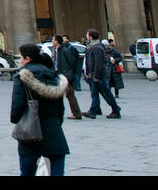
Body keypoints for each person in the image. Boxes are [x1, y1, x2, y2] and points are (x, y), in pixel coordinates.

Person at [10, 43, 70, 176]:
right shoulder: (55, 77)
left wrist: (15, 119)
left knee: (27, 172)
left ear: (27, 58)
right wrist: (55, 123)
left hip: (31, 134)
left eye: (20, 57)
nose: (20, 61)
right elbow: (61, 109)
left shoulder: (22, 77)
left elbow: (17, 107)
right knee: (56, 171)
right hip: (54, 132)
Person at [81, 29, 119, 119]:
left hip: (99, 75)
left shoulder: (97, 47)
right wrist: (90, 73)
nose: (86, 36)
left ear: (90, 37)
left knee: (107, 93)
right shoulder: (92, 46)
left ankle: (116, 110)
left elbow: (99, 63)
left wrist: (96, 76)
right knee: (94, 93)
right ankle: (93, 110)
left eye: (87, 35)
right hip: (94, 74)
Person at [51, 35, 82, 120]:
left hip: (65, 75)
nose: (52, 41)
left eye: (53, 40)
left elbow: (72, 62)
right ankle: (58, 112)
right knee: (58, 94)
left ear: (57, 41)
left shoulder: (64, 50)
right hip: (58, 74)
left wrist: (70, 73)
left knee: (70, 94)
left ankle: (76, 113)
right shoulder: (55, 50)